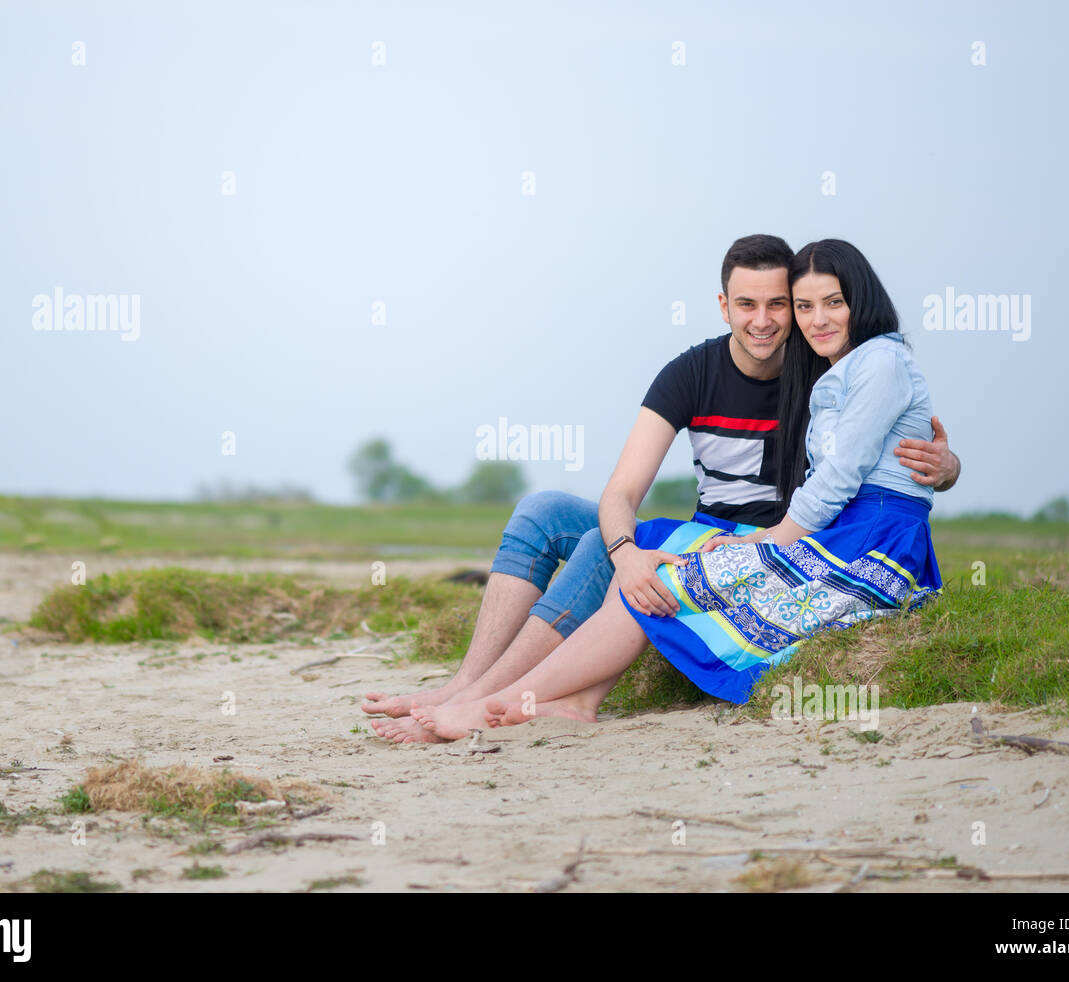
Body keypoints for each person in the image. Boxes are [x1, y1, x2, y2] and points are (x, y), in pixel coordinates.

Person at [367, 235, 959, 741]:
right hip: (719, 526)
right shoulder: (695, 371)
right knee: (562, 517)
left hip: (790, 533)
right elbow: (620, 492)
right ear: (723, 306)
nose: (769, 320)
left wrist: (946, 465)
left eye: (783, 304)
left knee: (636, 546)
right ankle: (468, 685)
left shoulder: (826, 367)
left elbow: (863, 457)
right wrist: (626, 556)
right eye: (752, 304)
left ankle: (494, 701)